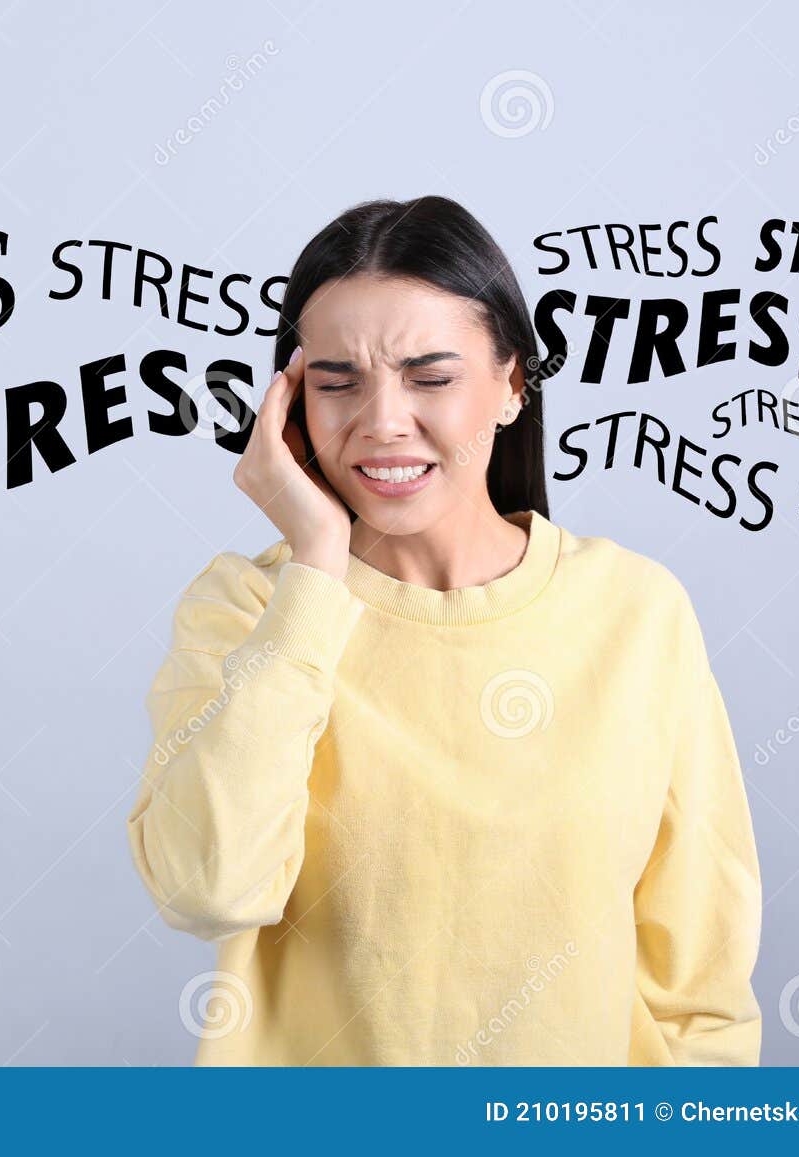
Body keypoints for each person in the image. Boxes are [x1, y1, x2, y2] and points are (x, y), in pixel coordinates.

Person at [126, 195, 763, 1066]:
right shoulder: (246, 609)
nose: (382, 420)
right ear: (288, 402)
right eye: (337, 381)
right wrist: (316, 563)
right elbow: (209, 889)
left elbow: (700, 986)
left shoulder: (636, 611)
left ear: (509, 386)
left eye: (430, 377)